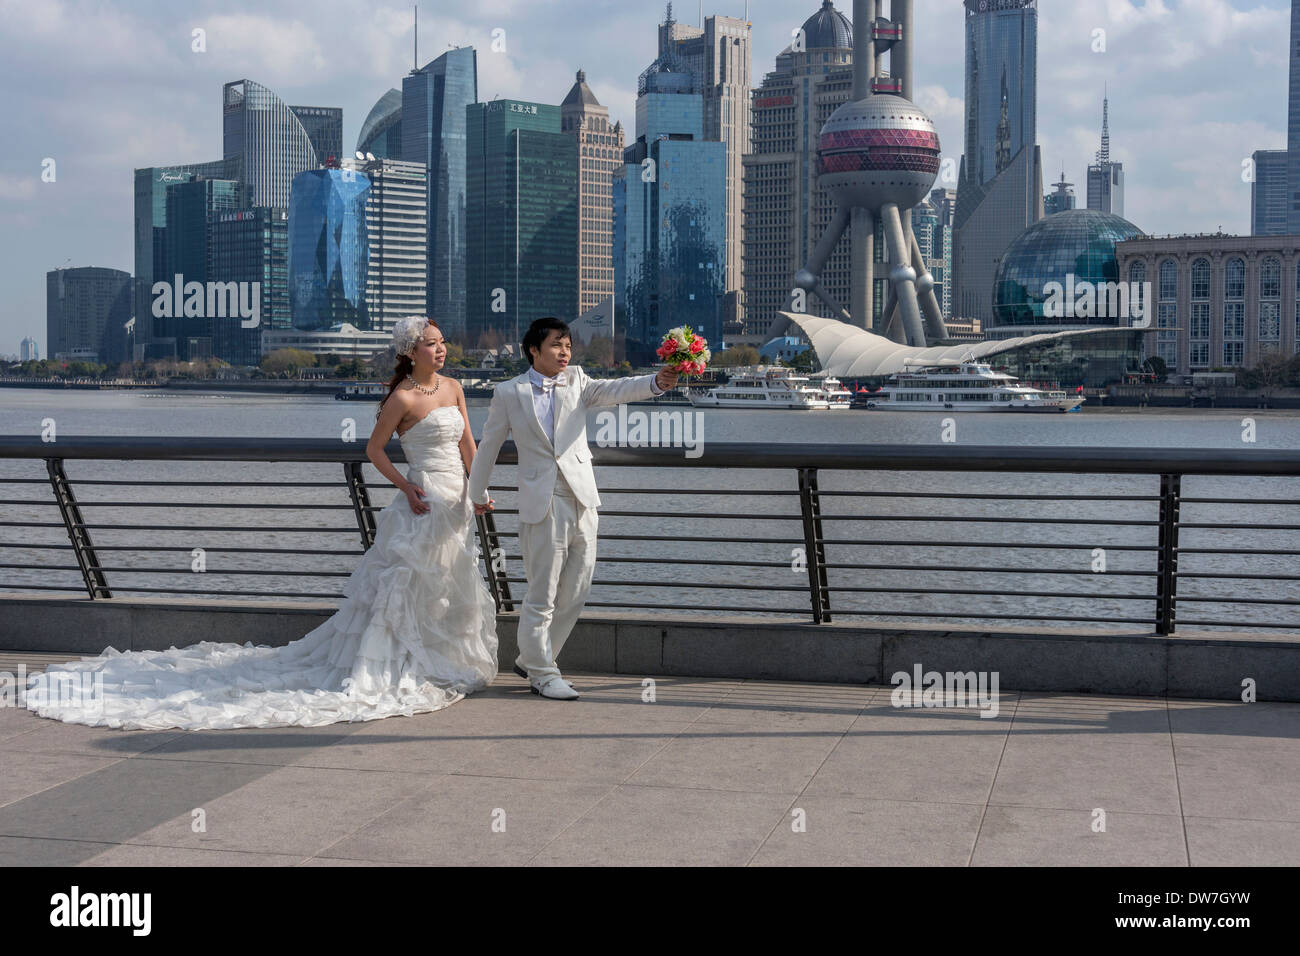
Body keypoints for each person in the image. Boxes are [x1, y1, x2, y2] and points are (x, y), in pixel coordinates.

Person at [24, 317, 499, 730]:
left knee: (448, 584)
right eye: (432, 343)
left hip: (456, 502)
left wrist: (477, 492)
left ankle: (442, 659)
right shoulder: (400, 398)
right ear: (410, 351)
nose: (441, 349)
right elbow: (373, 450)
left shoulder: (455, 387)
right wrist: (406, 486)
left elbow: (468, 447)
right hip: (420, 502)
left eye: (442, 343)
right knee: (408, 587)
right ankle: (402, 667)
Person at [467, 317, 678, 700]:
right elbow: (489, 446)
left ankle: (533, 659)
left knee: (577, 590)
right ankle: (544, 673)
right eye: (556, 346)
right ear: (534, 350)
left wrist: (657, 383)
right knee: (542, 594)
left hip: (583, 498)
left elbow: (615, 389)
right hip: (542, 503)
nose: (565, 352)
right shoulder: (509, 393)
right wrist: (476, 493)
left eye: (568, 346)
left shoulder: (578, 380)